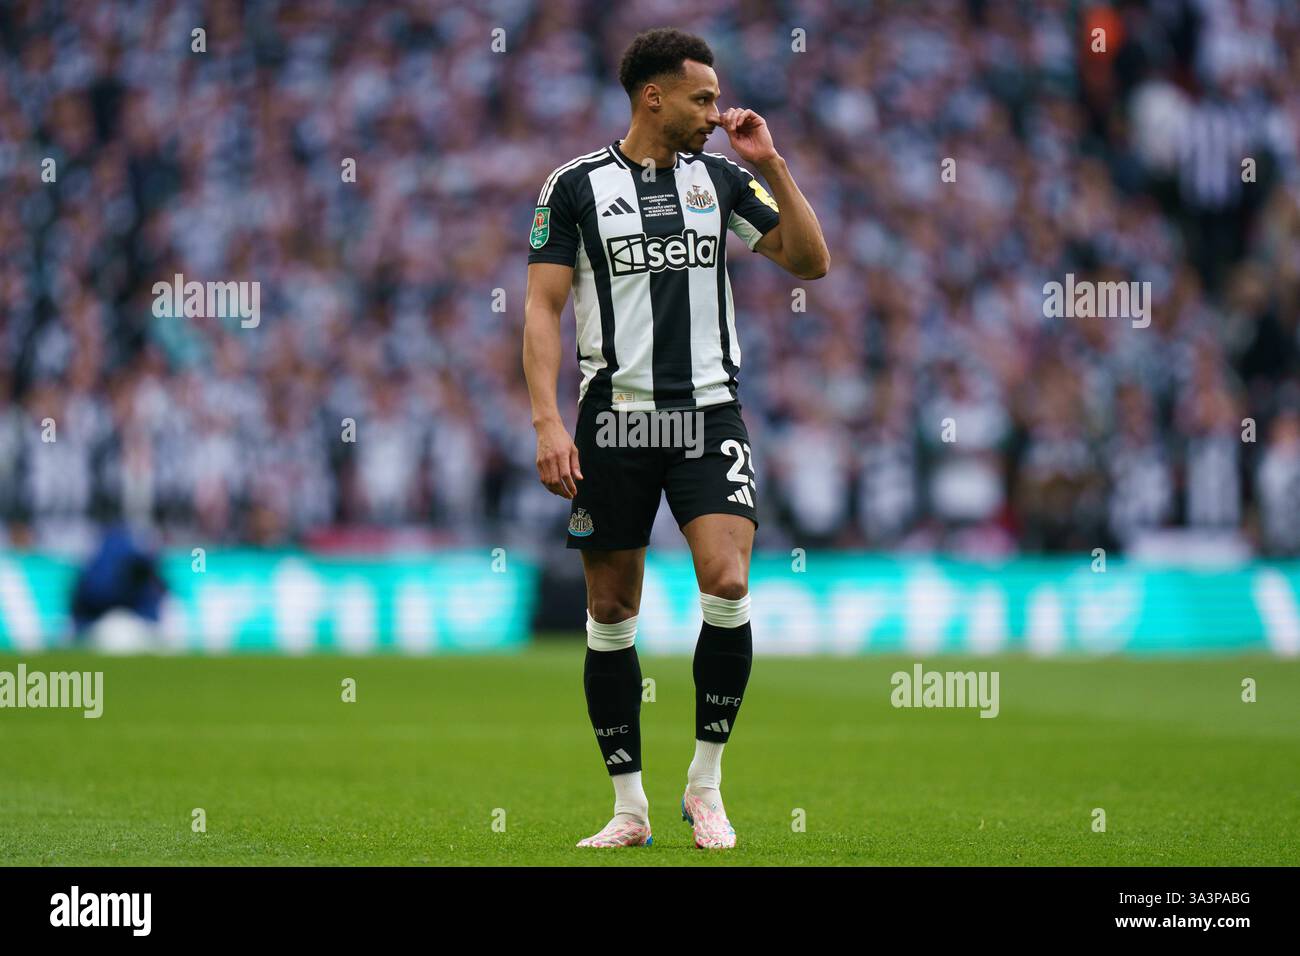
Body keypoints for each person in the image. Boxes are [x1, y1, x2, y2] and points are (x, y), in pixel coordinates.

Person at [522, 27, 830, 849]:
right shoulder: (575, 187)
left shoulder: (724, 179)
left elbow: (810, 260)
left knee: (727, 583)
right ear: (652, 97)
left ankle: (706, 785)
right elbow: (542, 309)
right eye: (701, 98)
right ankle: (629, 807)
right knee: (611, 608)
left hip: (707, 415)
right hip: (614, 419)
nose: (715, 112)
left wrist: (773, 164)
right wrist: (549, 421)